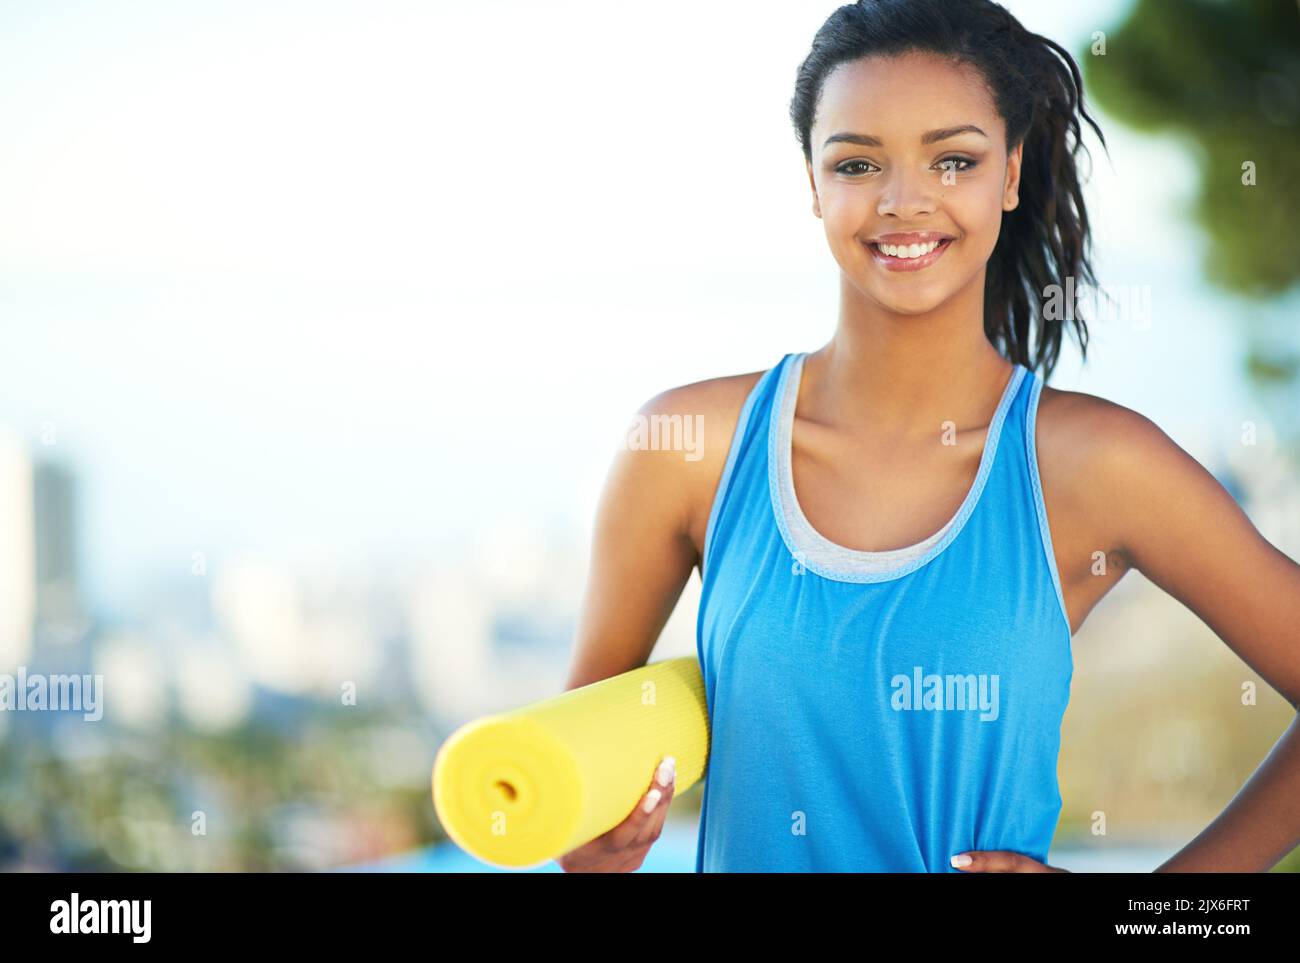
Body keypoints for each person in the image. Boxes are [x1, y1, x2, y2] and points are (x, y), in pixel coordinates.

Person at [557, 0, 1300, 873]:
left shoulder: (1097, 465)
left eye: (954, 160)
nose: (905, 201)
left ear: (1011, 174)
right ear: (812, 182)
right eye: (858, 162)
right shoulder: (685, 447)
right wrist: (591, 845)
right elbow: (579, 814)